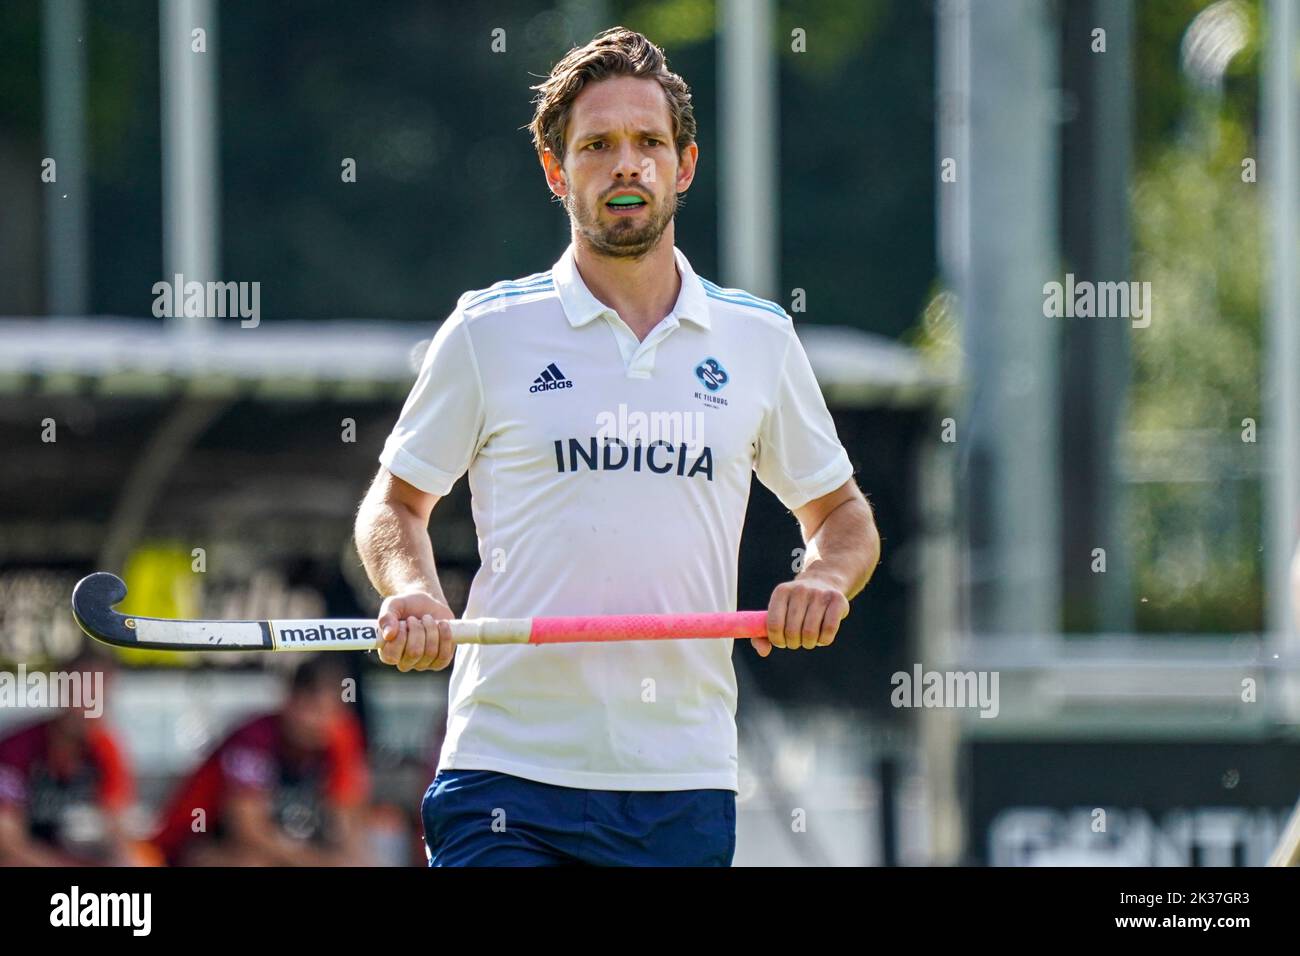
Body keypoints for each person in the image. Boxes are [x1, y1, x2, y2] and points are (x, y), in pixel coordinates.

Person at [354, 26, 881, 867]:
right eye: (598, 146)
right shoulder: (489, 331)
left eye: (648, 144)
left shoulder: (759, 340)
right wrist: (413, 590)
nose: (626, 164)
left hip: (681, 783)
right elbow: (395, 505)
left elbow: (844, 517)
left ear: (685, 166)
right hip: (506, 776)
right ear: (558, 172)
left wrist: (821, 577)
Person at [152, 655, 370, 866]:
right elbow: (248, 830)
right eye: (311, 707)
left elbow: (348, 818)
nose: (319, 722)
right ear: (290, 701)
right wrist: (317, 862)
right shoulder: (253, 739)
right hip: (197, 843)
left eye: (331, 710)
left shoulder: (341, 737)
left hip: (289, 846)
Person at [0, 649, 136, 866]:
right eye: (81, 696)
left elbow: (117, 831)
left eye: (99, 698)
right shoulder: (17, 750)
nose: (88, 708)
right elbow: (7, 841)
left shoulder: (105, 748)